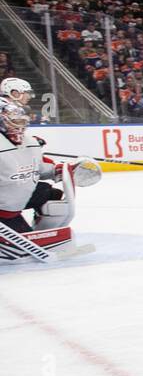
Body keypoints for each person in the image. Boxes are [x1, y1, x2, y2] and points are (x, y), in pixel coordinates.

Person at [0, 100, 100, 259]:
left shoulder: (30, 143)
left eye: (21, 120)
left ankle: (37, 233)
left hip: (13, 207)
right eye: (14, 120)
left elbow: (39, 168)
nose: (18, 125)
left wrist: (60, 170)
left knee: (50, 194)